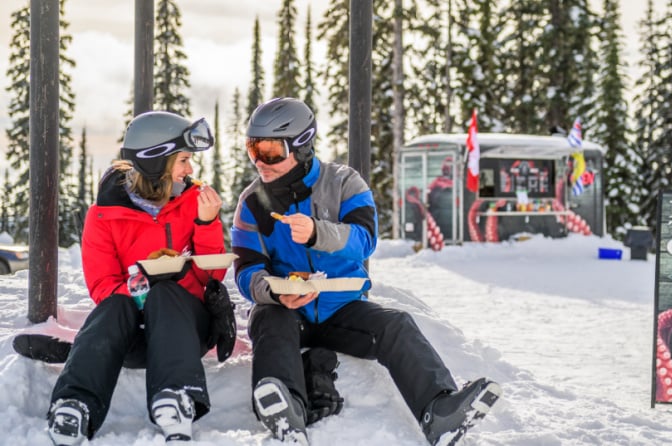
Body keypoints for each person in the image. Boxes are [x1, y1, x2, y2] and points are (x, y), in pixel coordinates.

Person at [231, 97, 502, 446]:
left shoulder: (344, 183)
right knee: (267, 318)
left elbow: (365, 240)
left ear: (300, 146)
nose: (260, 162)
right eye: (253, 149)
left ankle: (439, 410)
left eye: (270, 151)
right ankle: (286, 412)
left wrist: (318, 232)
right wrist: (274, 291)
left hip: (341, 307)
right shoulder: (252, 203)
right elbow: (246, 268)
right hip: (286, 311)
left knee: (396, 324)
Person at [46, 111, 236, 445]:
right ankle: (74, 403)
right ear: (156, 162)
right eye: (183, 160)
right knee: (114, 305)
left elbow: (211, 275)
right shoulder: (105, 214)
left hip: (187, 329)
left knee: (167, 294)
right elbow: (102, 286)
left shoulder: (195, 200)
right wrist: (140, 289)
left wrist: (207, 223)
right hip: (133, 334)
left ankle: (178, 397)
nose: (190, 170)